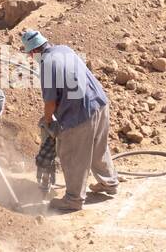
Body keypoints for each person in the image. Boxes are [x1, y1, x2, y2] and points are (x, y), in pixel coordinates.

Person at [21, 29, 119, 212]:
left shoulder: (46, 65)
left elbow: (50, 102)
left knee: (72, 154)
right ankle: (109, 182)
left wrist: (48, 121)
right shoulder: (64, 49)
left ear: (33, 52)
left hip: (80, 114)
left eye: (29, 55)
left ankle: (73, 199)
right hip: (100, 103)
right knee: (98, 147)